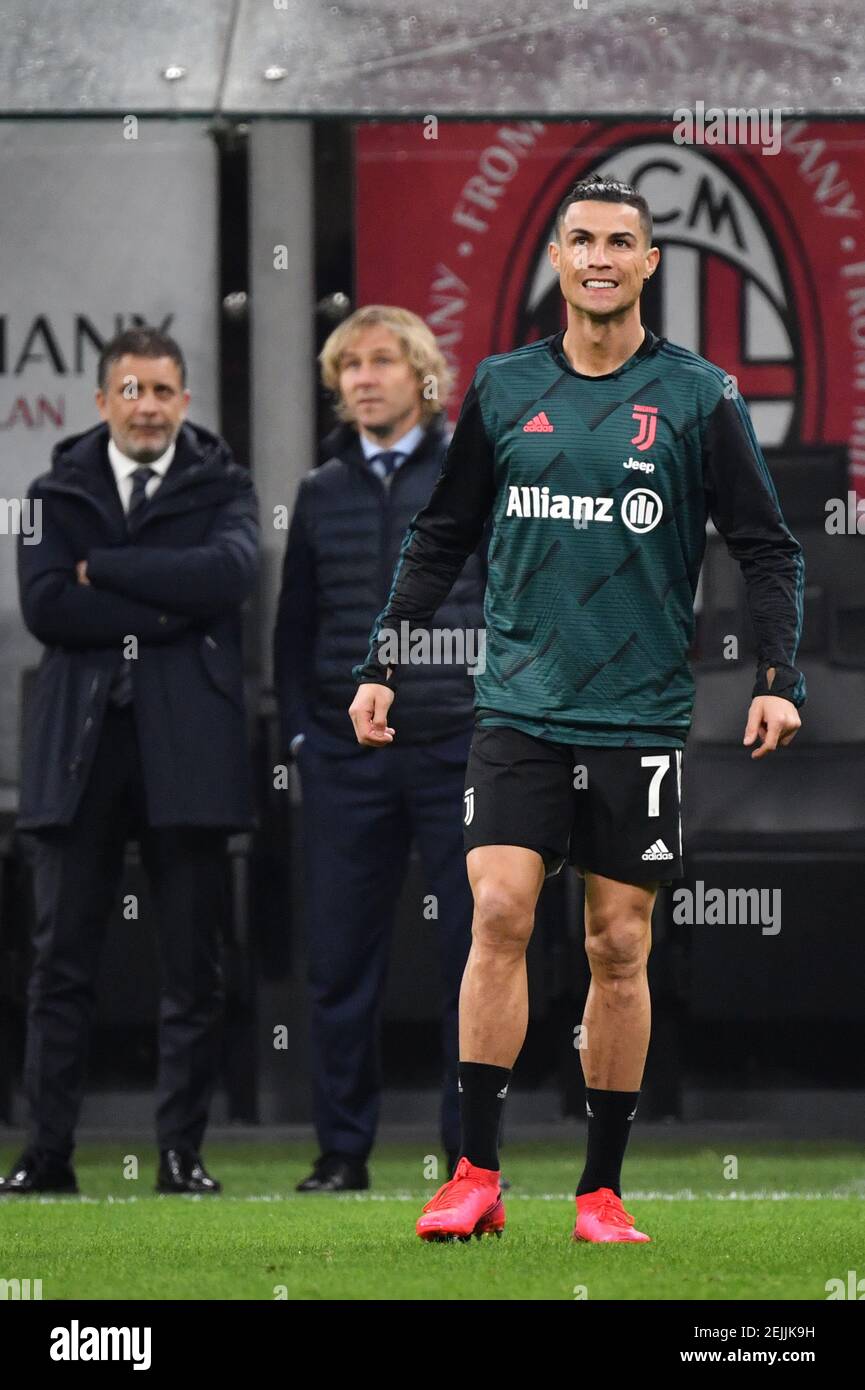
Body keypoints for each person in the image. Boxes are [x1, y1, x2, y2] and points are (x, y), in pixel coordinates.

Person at [351, 177, 805, 1243]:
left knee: (617, 943)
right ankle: (475, 1172)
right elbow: (443, 532)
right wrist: (382, 656)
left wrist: (775, 677)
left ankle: (599, 1190)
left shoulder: (699, 396)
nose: (600, 256)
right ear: (557, 258)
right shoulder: (505, 389)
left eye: (621, 242)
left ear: (650, 263)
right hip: (519, 705)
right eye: (583, 239)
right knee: (500, 911)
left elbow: (767, 546)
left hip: (638, 716)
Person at [0, 327, 258, 1197]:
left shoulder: (225, 485)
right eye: (131, 390)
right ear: (103, 401)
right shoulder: (49, 490)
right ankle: (48, 1155)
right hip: (77, 753)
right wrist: (165, 605)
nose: (147, 405)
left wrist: (103, 571)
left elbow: (226, 578)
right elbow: (44, 608)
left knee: (193, 967)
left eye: (162, 391)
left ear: (185, 402)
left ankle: (181, 1156)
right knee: (59, 966)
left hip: (189, 753)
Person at [275, 306, 485, 1192]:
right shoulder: (320, 490)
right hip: (343, 762)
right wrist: (302, 734)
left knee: (471, 961)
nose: (362, 379)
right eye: (348, 366)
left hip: (457, 753)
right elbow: (293, 632)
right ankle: (341, 1155)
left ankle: (468, 1157)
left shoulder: (477, 477)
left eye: (381, 362)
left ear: (423, 376)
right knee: (337, 966)